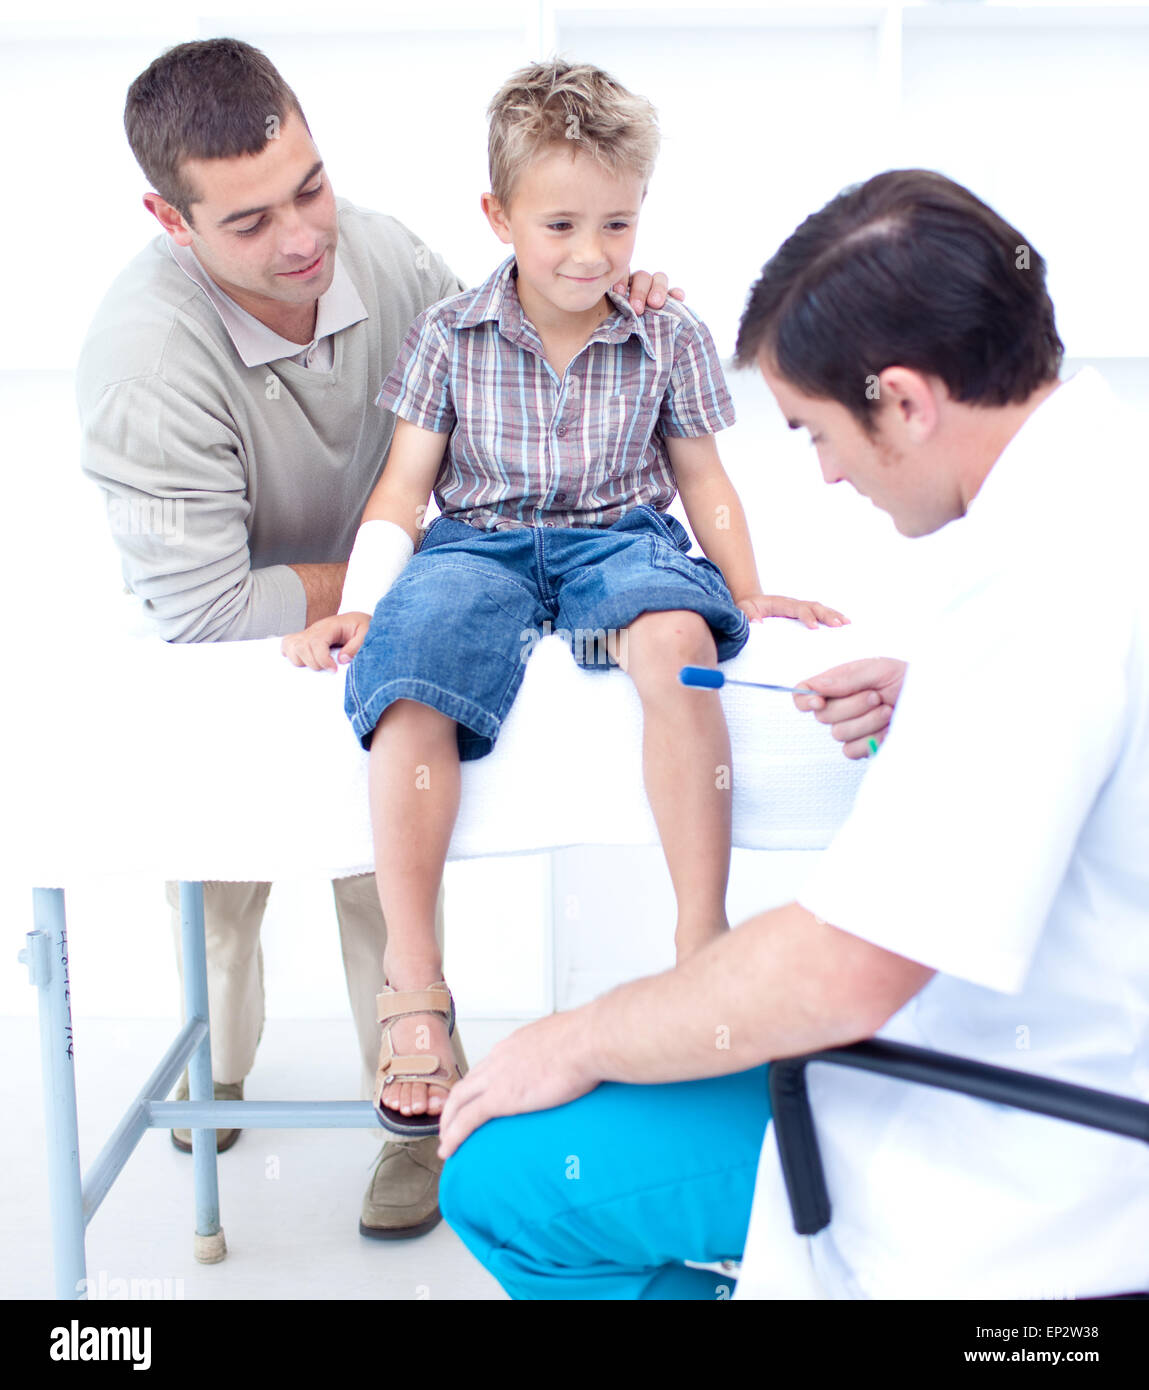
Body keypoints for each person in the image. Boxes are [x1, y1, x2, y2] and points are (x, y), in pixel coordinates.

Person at [431, 169, 1149, 1300]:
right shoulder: (1106, 479)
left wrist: (572, 1037)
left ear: (903, 401)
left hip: (1032, 1143)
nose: (826, 472)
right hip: (1054, 1061)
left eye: (817, 431)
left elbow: (841, 973)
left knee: (500, 1180)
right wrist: (938, 695)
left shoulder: (1034, 595)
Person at [76, 37, 677, 1241]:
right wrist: (380, 580)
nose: (304, 236)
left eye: (310, 187)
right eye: (250, 221)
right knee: (222, 894)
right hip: (237, 658)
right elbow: (209, 612)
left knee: (386, 861)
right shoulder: (142, 365)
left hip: (394, 616)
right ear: (170, 220)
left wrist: (607, 293)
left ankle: (410, 1112)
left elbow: (505, 361)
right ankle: (219, 1068)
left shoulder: (389, 256)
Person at [281, 59, 847, 1140]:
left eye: (617, 225)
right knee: (411, 673)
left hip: (620, 537)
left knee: (678, 637)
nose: (592, 253)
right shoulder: (448, 332)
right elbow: (402, 489)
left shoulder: (667, 331)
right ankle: (414, 981)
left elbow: (703, 481)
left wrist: (749, 591)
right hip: (478, 545)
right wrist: (366, 602)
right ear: (498, 218)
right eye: (560, 226)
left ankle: (700, 944)